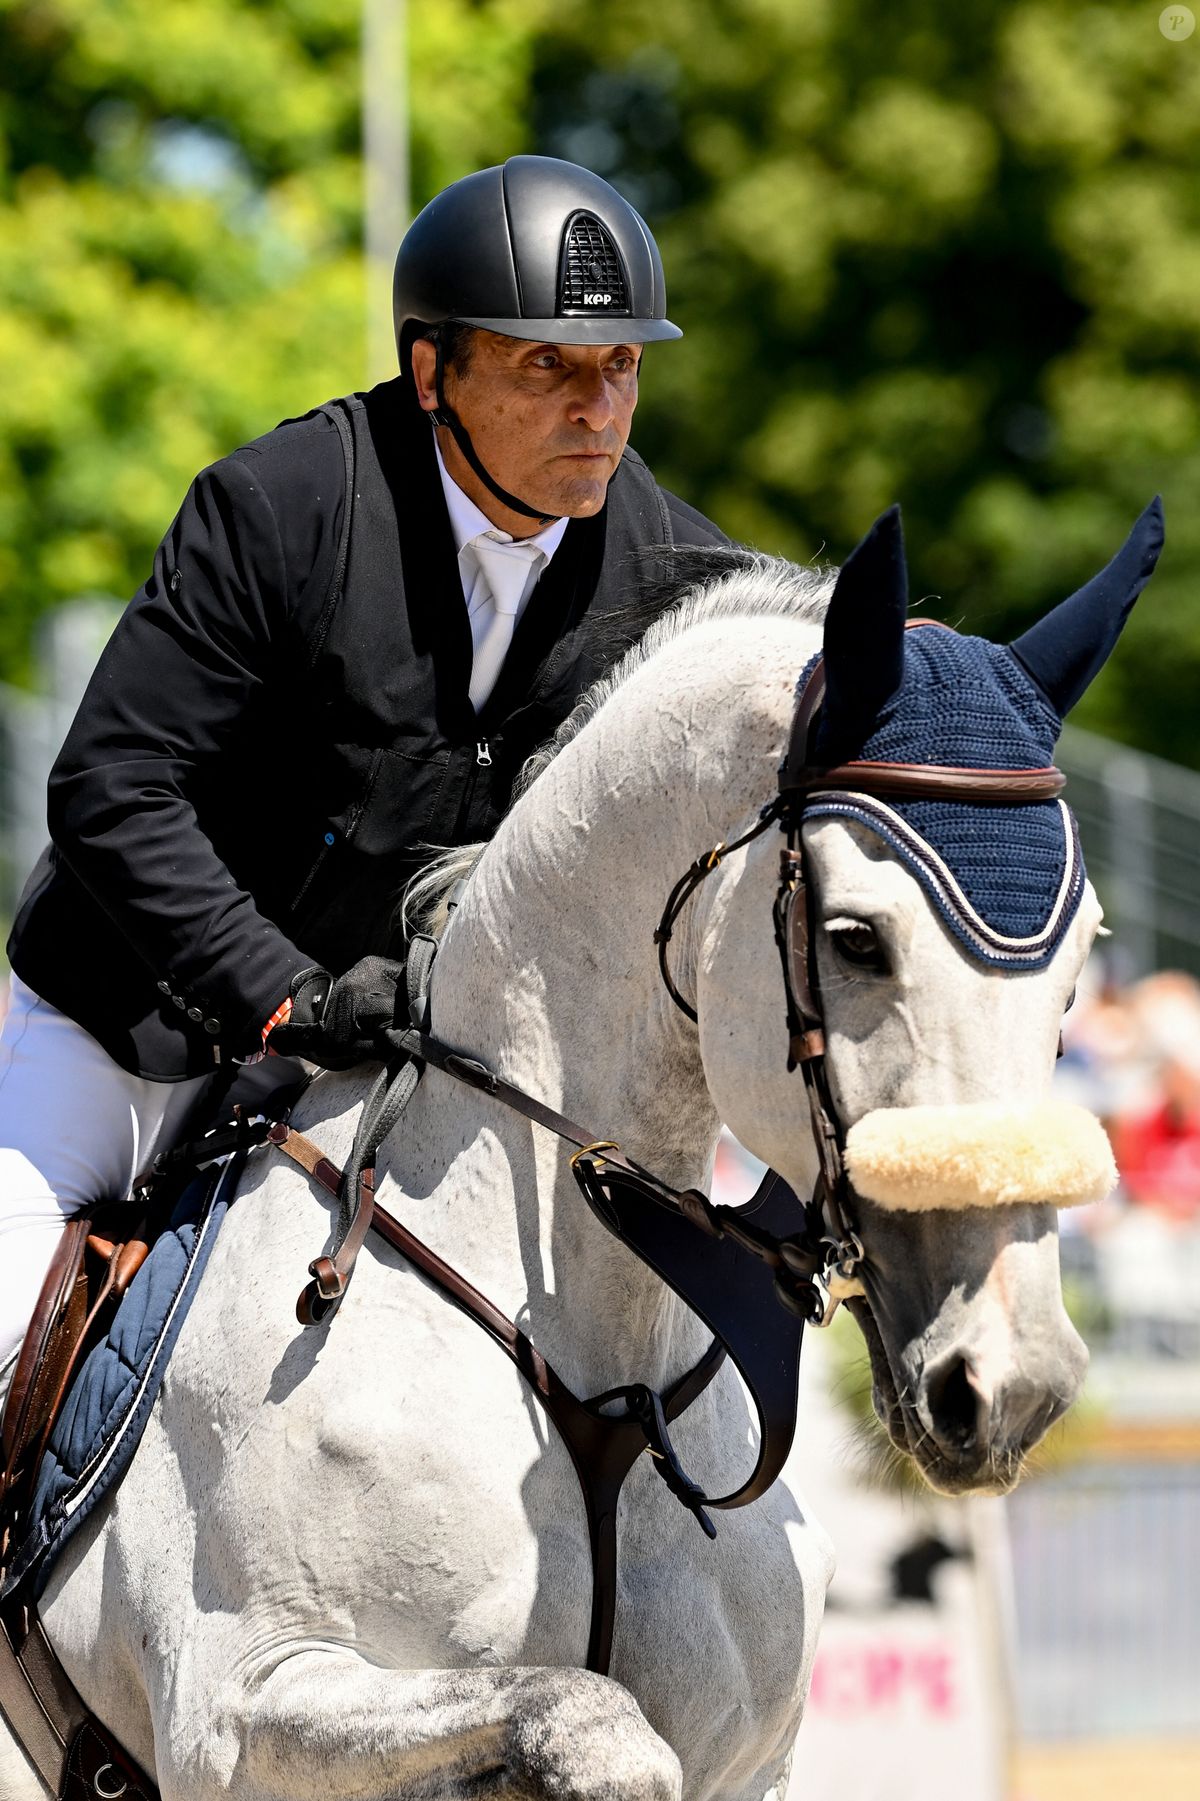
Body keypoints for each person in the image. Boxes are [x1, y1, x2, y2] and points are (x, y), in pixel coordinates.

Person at [0, 155, 727, 1384]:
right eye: (546, 362)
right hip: (122, 1036)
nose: (597, 409)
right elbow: (111, 784)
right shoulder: (281, 506)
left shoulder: (657, 564)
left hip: (367, 1076)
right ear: (431, 369)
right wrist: (281, 992)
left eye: (621, 365)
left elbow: (795, 657)